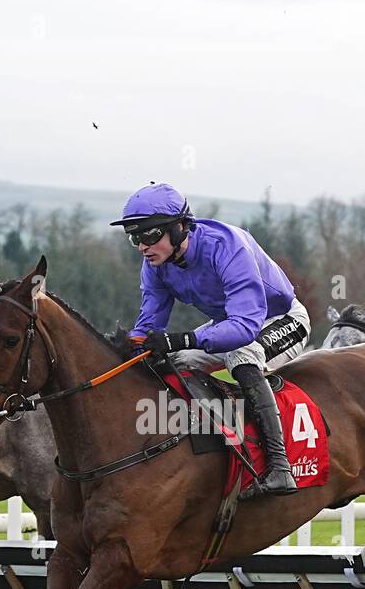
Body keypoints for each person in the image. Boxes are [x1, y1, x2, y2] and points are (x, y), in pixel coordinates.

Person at [112, 183, 310, 500]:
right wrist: (125, 345)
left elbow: (245, 326)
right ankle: (206, 444)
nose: (142, 247)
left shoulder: (228, 247)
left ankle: (279, 466)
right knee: (174, 363)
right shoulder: (156, 265)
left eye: (149, 236)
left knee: (240, 356)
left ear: (179, 228)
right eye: (135, 238)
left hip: (279, 319)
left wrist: (184, 338)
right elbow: (149, 326)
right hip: (228, 323)